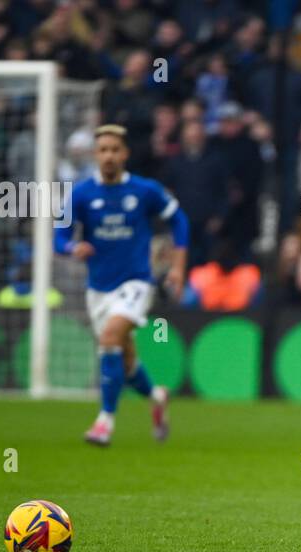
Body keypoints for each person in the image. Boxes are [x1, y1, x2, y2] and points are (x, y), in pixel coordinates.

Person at [53, 124, 189, 446]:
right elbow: (59, 237)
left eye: (115, 149)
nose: (109, 155)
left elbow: (179, 220)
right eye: (103, 150)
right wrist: (74, 248)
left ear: (125, 154)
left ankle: (104, 423)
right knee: (124, 359)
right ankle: (157, 396)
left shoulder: (145, 191)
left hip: (136, 283)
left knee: (111, 336)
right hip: (98, 288)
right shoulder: (81, 194)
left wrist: (178, 269)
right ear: (95, 155)